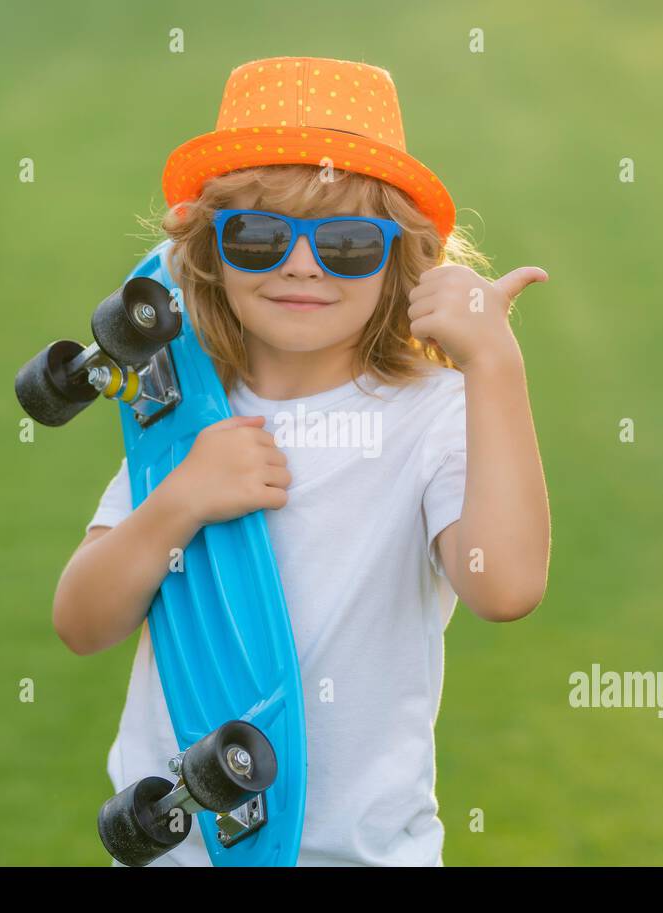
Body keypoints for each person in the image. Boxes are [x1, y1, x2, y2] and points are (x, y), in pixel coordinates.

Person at [52, 55, 551, 866]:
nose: (302, 264)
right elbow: (81, 623)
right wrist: (181, 501)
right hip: (180, 850)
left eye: (350, 243)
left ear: (403, 263)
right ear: (208, 251)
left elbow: (507, 588)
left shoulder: (431, 416)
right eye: (259, 236)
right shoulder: (184, 415)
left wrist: (495, 365)